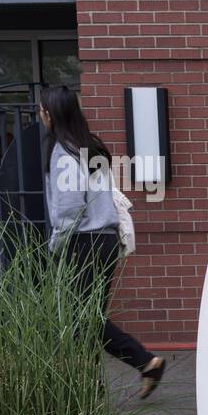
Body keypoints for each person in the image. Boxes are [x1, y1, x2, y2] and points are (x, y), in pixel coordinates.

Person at [39, 86, 165, 398]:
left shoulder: (63, 152)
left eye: (42, 110)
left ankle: (136, 366)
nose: (40, 116)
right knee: (87, 319)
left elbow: (69, 210)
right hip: (104, 241)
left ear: (51, 114)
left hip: (82, 242)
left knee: (81, 320)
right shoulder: (89, 147)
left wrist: (54, 248)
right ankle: (132, 369)